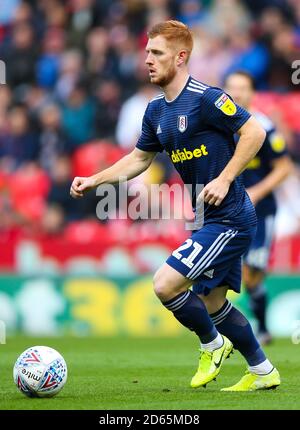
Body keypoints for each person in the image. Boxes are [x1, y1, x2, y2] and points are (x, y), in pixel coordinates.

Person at [70, 20, 280, 391]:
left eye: (156, 53)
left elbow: (255, 132)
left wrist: (225, 177)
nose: (147, 59)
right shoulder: (155, 111)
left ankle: (213, 345)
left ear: (181, 57)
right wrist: (95, 179)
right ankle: (263, 371)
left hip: (230, 214)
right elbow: (138, 160)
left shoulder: (206, 98)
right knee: (213, 302)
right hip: (205, 216)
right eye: (147, 52)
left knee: (165, 284)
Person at [224, 71, 293, 345]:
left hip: (259, 210)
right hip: (225, 209)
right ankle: (217, 331)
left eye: (243, 88)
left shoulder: (263, 126)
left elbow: (284, 167)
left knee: (252, 270)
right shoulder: (218, 127)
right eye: (232, 88)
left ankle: (262, 328)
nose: (237, 93)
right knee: (219, 270)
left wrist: (255, 192)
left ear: (253, 92)